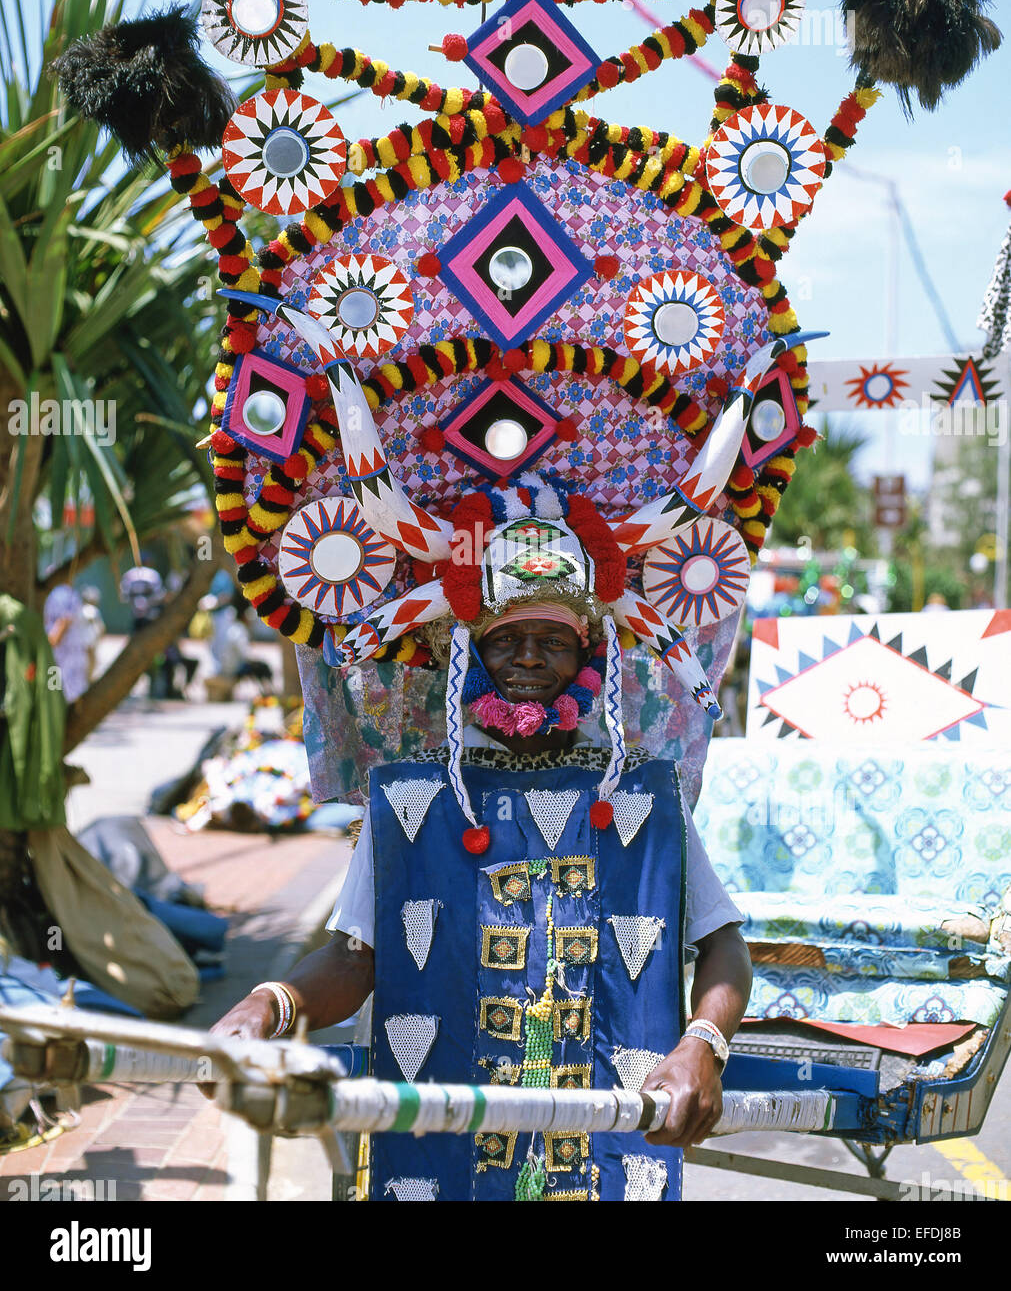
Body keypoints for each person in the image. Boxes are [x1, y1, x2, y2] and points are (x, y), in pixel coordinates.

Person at [209, 486, 751, 1202]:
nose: (528, 658)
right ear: (469, 652)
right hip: (445, 1151)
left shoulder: (644, 797)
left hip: (609, 1147)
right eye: (505, 640)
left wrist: (699, 1047)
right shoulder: (409, 801)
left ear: (588, 656)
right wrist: (270, 1004)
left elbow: (722, 944)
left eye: (552, 640)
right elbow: (355, 956)